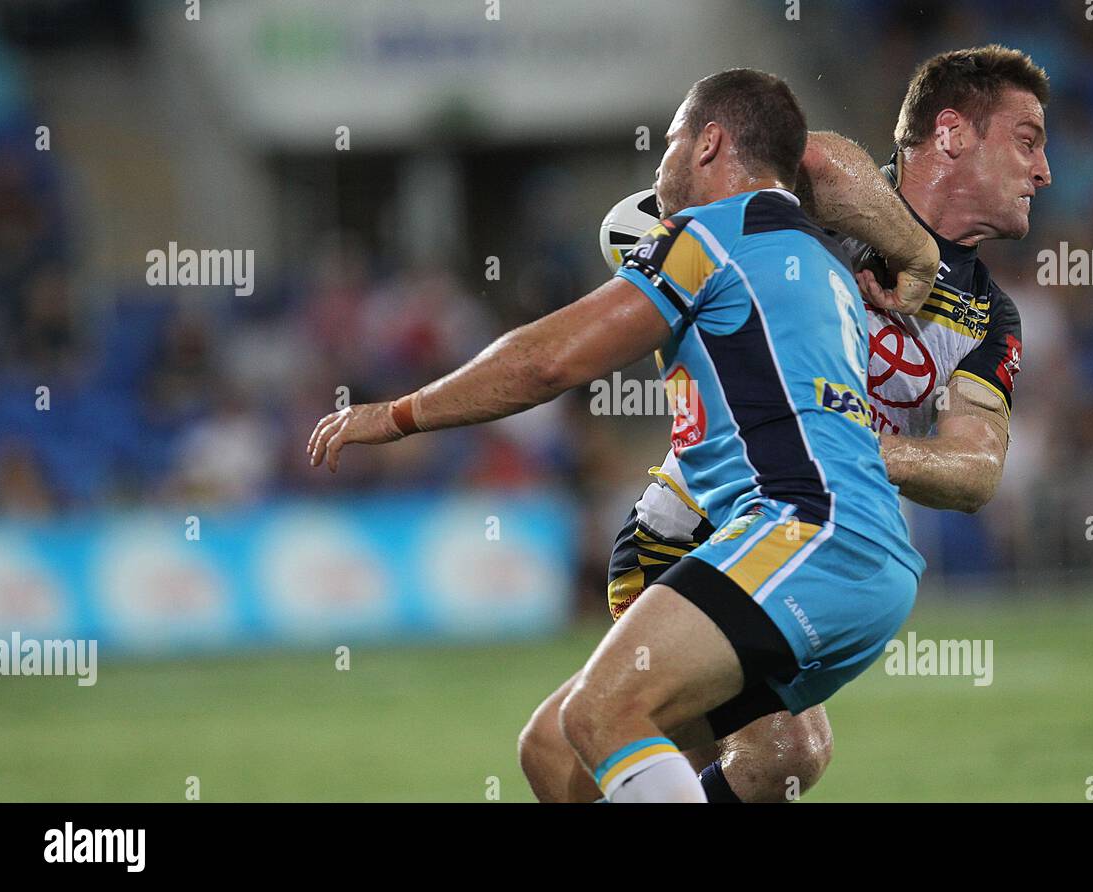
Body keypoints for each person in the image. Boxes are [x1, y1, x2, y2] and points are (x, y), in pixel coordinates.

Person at [307, 67, 936, 802]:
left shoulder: (705, 236)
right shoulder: (818, 264)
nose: (659, 162)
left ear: (709, 144)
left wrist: (397, 413)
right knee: (559, 749)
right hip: (862, 556)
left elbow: (546, 362)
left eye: (670, 141)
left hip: (805, 535)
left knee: (603, 712)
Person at [519, 44, 1052, 803]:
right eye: (1027, 141)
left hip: (807, 534)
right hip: (694, 528)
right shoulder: (820, 203)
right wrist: (915, 254)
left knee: (784, 756)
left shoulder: (992, 319)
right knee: (600, 740)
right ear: (952, 133)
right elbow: (822, 160)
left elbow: (977, 470)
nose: (1044, 171)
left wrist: (847, 445)